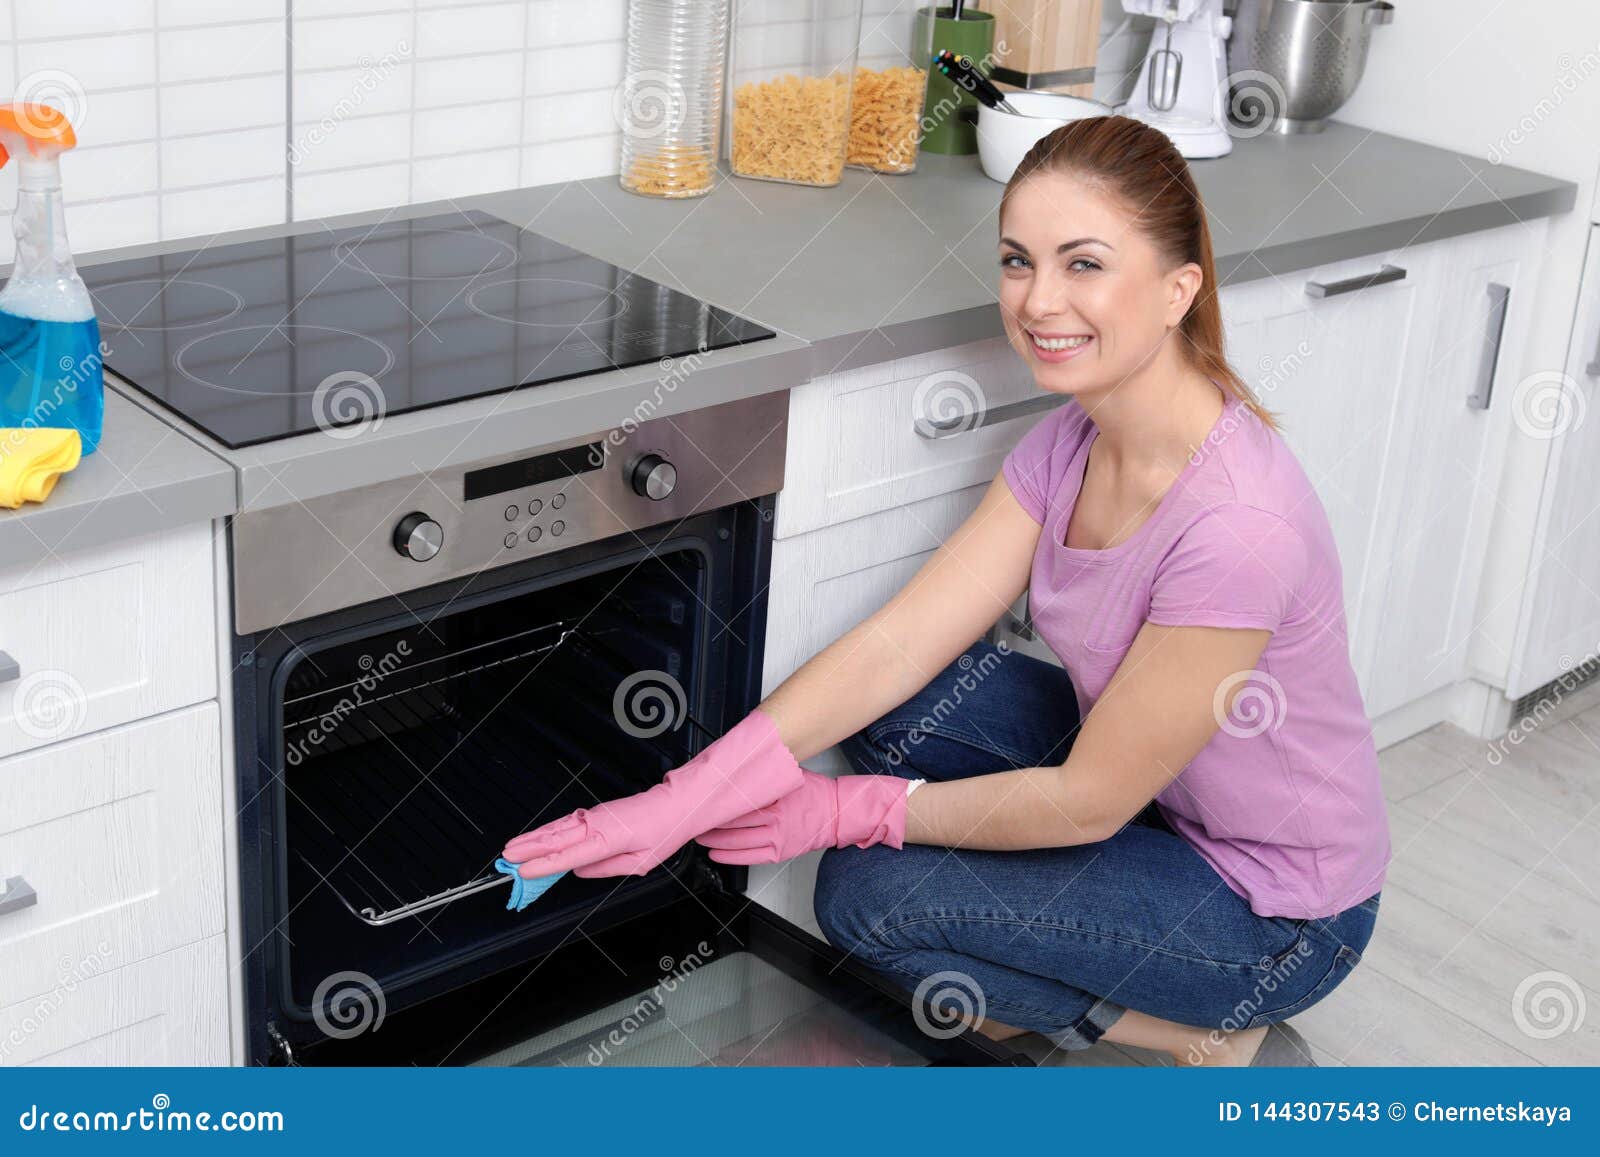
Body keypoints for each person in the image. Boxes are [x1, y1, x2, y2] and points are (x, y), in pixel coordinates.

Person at [502, 115, 1391, 1067]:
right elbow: (902, 642)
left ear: (1180, 289)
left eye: (1084, 264)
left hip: (1275, 906)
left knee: (864, 897)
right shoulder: (1071, 441)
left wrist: (853, 810)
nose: (1039, 301)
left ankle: (1195, 1032)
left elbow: (1088, 802)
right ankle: (1084, 938)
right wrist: (677, 800)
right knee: (915, 703)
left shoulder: (1236, 528)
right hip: (1161, 800)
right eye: (1019, 260)